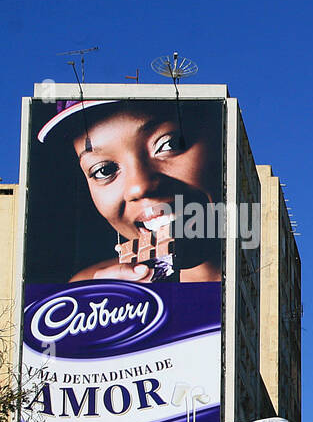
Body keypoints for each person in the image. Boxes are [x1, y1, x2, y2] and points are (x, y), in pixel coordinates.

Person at [36, 98, 223, 284]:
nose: (139, 187)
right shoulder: (90, 288)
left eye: (170, 144)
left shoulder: (251, 291)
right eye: (104, 170)